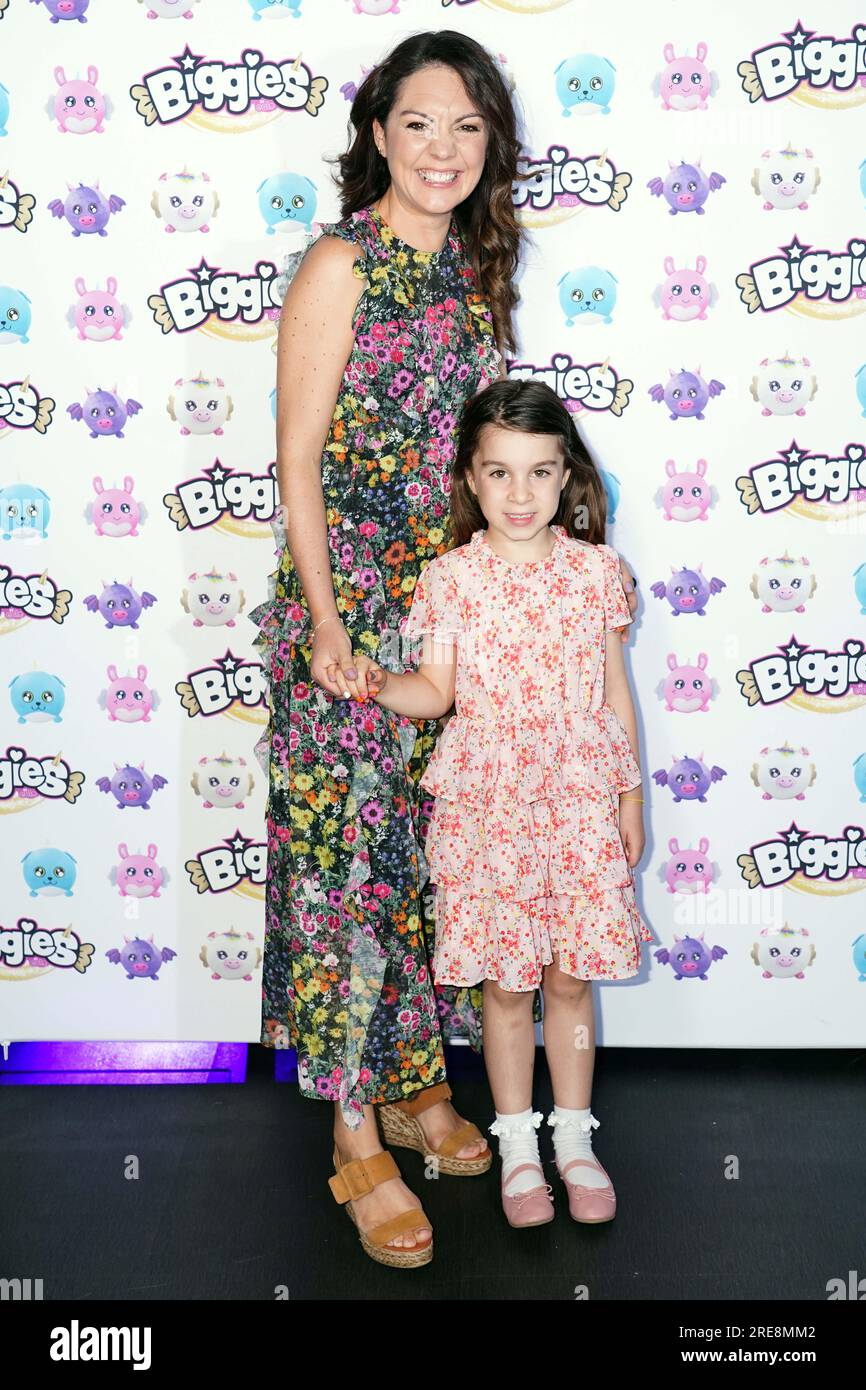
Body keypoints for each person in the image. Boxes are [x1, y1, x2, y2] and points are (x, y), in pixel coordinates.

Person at [250, 31, 638, 1267]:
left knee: (431, 859)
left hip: (460, 610)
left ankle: (419, 1082)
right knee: (344, 866)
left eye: (466, 127)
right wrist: (323, 620)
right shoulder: (338, 263)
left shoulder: (472, 273)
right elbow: (297, 461)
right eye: (418, 123)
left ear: (490, 147)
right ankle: (353, 1134)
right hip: (352, 606)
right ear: (376, 134)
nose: (441, 149)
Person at [335, 378, 652, 1231]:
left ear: (565, 476)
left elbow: (615, 696)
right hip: (490, 809)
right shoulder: (449, 581)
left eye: (540, 473)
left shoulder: (598, 575)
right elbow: (435, 692)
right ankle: (518, 1146)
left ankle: (575, 1141)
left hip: (580, 798)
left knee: (572, 978)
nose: (521, 494)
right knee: (507, 988)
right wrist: (376, 685)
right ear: (472, 481)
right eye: (500, 474)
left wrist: (631, 799)